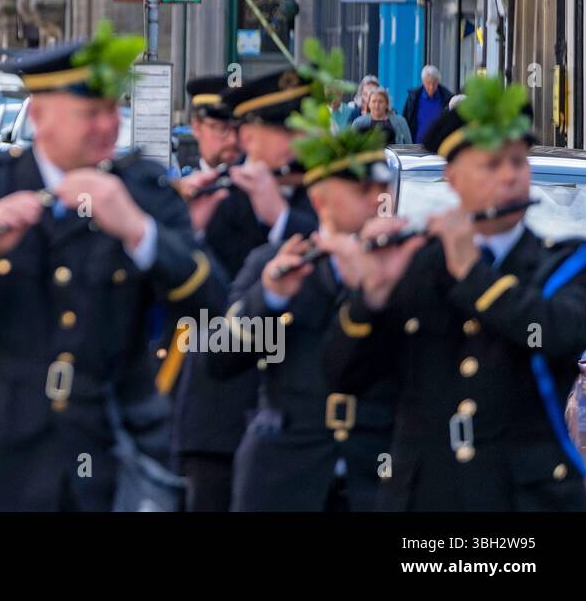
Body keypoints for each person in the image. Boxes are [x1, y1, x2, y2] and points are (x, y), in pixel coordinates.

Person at [0, 23, 225, 511]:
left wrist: (139, 232)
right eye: (90, 114)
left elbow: (212, 307)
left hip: (114, 448)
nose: (108, 126)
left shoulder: (144, 189)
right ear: (42, 117)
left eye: (113, 110)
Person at [325, 76, 586, 510]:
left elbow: (554, 332)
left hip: (527, 499)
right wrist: (370, 296)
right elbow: (345, 374)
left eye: (517, 163)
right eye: (490, 165)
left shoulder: (563, 262)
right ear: (454, 178)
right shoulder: (419, 261)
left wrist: (470, 271)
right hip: (424, 496)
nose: (509, 177)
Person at [208, 87, 397, 511]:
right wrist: (270, 298)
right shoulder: (274, 262)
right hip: (284, 472)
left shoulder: (399, 267)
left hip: (374, 472)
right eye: (361, 189)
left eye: (379, 189)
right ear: (321, 198)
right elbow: (218, 357)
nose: (376, 200)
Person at [171, 62, 321, 511]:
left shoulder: (321, 194)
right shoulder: (215, 195)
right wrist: (188, 235)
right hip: (219, 411)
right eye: (286, 130)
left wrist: (281, 219)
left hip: (301, 419)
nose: (301, 140)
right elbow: (197, 306)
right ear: (252, 136)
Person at [185, 74, 240, 174]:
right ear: (196, 127)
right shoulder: (178, 181)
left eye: (239, 129)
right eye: (221, 128)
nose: (233, 140)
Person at [403, 65, 454, 143]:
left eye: (434, 83)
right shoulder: (413, 98)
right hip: (415, 146)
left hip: (438, 146)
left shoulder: (447, 98)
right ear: (423, 82)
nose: (431, 87)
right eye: (428, 83)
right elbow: (406, 120)